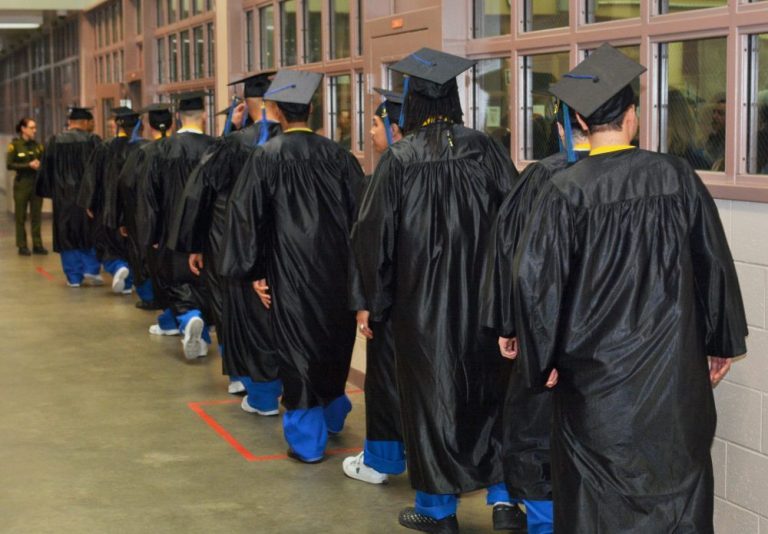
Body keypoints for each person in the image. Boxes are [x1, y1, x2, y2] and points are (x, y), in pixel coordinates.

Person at [512, 43, 748, 533]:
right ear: (633, 116)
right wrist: (720, 341)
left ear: (578, 120)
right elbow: (714, 264)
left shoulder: (563, 191)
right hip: (671, 382)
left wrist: (543, 360)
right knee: (673, 491)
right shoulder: (677, 177)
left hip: (596, 392)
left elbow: (538, 285)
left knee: (596, 502)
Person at [351, 48, 520, 533]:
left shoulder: (400, 159)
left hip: (420, 308)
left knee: (430, 405)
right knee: (491, 399)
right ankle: (505, 502)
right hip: (486, 304)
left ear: (413, 104)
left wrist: (368, 300)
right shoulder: (486, 149)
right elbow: (513, 222)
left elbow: (372, 233)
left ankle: (437, 512)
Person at [221, 70, 363, 463]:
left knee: (298, 350)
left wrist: (254, 273)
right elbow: (363, 219)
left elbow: (247, 217)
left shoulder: (265, 157)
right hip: (337, 272)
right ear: (313, 109)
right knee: (335, 342)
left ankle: (307, 441)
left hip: (289, 272)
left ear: (276, 111)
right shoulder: (341, 156)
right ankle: (335, 413)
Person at [483, 99, 591, 534]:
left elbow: (513, 256)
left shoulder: (543, 177)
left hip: (550, 333)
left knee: (538, 426)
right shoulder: (651, 176)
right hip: (614, 345)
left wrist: (510, 325)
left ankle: (535, 517)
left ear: (566, 128)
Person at [169, 71, 283, 407]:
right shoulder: (302, 146)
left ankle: (247, 382)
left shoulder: (235, 143)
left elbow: (201, 191)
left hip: (236, 244)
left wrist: (193, 243)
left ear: (247, 104)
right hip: (288, 247)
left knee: (240, 312)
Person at [343, 87, 406, 485]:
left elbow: (370, 241)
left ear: (395, 129)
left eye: (374, 123)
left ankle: (381, 461)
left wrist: (365, 300)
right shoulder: (467, 160)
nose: (369, 132)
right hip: (455, 304)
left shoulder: (389, 171)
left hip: (397, 300)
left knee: (386, 380)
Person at [136, 92, 216, 360]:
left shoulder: (162, 149)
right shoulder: (216, 147)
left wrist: (152, 232)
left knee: (176, 282)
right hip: (208, 231)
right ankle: (200, 330)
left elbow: (150, 194)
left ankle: (191, 319)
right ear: (204, 115)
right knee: (205, 283)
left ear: (178, 116)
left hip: (172, 230)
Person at [36, 107, 103, 287]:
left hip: (63, 198)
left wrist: (51, 193)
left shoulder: (55, 141)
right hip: (88, 198)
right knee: (89, 231)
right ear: (86, 122)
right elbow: (101, 170)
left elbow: (45, 170)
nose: (93, 126)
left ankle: (73, 277)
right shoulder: (93, 141)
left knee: (66, 234)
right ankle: (92, 269)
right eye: (92, 123)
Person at [78, 107, 142, 295]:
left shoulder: (105, 147)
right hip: (135, 207)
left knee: (107, 244)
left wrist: (89, 202)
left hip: (108, 207)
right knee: (133, 245)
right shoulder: (143, 147)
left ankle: (117, 266)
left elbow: (92, 177)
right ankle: (130, 282)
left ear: (117, 125)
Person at [115, 104, 172, 310]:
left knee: (149, 259)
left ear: (148, 125)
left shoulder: (143, 152)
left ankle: (153, 298)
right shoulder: (187, 148)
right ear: (173, 122)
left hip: (150, 222)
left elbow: (127, 185)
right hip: (182, 226)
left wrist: (124, 218)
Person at [6, 117, 46, 256]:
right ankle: (22, 245)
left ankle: (37, 244)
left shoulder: (37, 145)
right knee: (20, 216)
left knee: (36, 216)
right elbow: (9, 164)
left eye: (35, 127)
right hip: (22, 184)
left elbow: (44, 160)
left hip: (36, 185)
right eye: (31, 127)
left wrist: (40, 164)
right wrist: (27, 165)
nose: (34, 130)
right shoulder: (15, 145)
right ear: (23, 129)